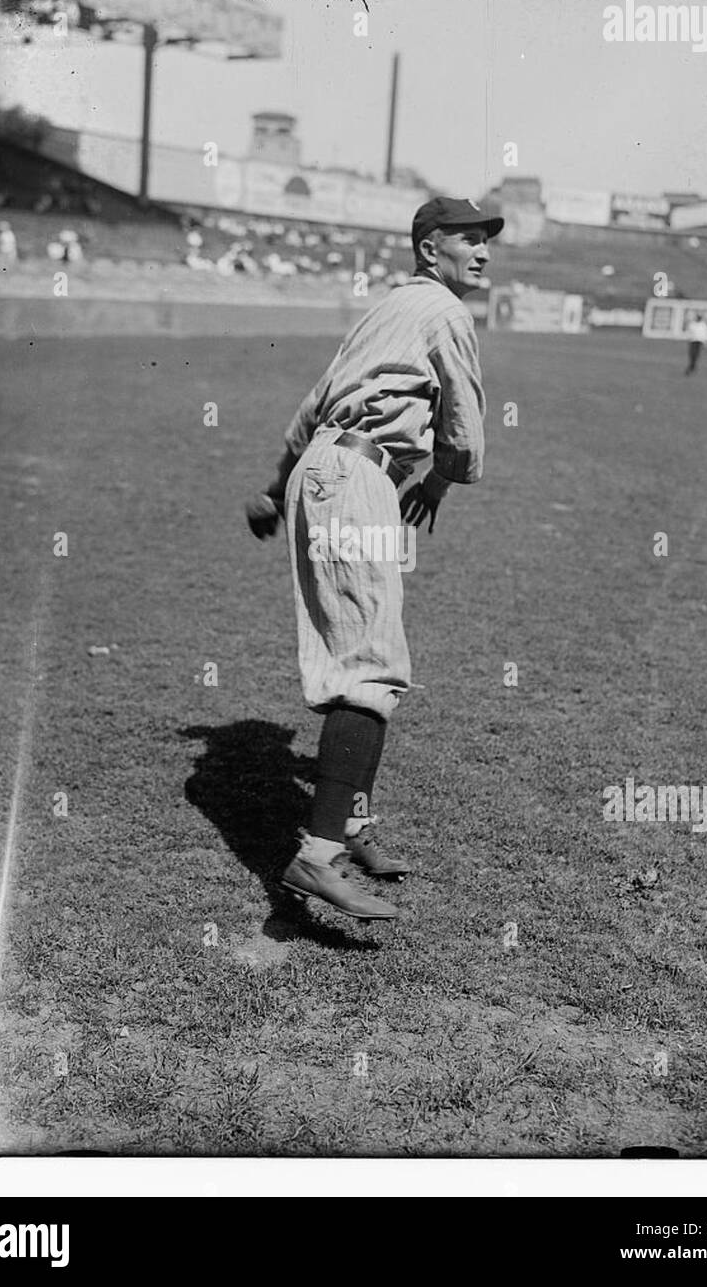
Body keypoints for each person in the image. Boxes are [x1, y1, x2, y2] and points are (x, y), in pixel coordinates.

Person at [245, 197, 503, 921]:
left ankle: (352, 829)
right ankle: (317, 856)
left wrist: (273, 490)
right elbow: (464, 423)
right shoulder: (445, 312)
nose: (481, 252)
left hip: (331, 473)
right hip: (358, 478)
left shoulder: (386, 308)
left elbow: (312, 405)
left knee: (372, 648)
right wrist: (445, 478)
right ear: (429, 251)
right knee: (368, 666)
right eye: (467, 240)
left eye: (487, 241)